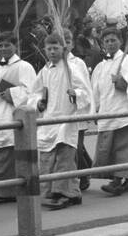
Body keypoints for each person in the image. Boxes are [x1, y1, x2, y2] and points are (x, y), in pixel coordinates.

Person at [21, 32, 93, 209]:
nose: (52, 51)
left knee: (64, 158)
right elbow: (34, 91)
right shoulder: (45, 70)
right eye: (49, 48)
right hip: (49, 119)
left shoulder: (71, 69)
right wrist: (38, 102)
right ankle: (64, 191)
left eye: (56, 48)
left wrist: (75, 94)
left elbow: (85, 90)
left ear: (64, 48)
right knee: (47, 157)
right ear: (44, 50)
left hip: (66, 118)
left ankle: (64, 193)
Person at [0, 31, 36, 203]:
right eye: (0, 45)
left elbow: (30, 91)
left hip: (12, 116)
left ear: (15, 46)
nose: (3, 49)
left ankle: (6, 190)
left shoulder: (23, 67)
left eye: (7, 45)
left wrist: (11, 93)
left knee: (8, 157)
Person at [90, 29, 128, 196]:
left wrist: (123, 82)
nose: (110, 43)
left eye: (113, 40)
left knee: (123, 148)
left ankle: (118, 181)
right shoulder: (101, 66)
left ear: (121, 41)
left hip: (124, 112)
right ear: (102, 44)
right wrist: (96, 109)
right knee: (108, 147)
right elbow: (96, 90)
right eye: (107, 41)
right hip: (107, 112)